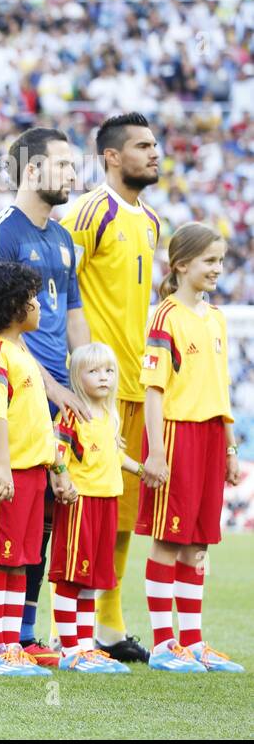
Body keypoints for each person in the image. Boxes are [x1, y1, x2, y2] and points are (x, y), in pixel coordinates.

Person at [0, 127, 88, 667]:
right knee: (1, 513)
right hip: (20, 390)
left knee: (37, 521)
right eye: (62, 165)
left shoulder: (61, 238)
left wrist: (80, 383)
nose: (72, 175)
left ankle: (22, 633)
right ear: (31, 171)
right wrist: (53, 385)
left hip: (54, 394)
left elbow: (75, 317)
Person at [61, 112, 161, 663]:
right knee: (80, 509)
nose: (155, 153)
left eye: (156, 145)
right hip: (93, 390)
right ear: (112, 157)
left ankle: (108, 625)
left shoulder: (150, 220)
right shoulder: (87, 213)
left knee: (119, 515)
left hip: (132, 386)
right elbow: (63, 293)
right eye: (143, 146)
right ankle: (64, 629)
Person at [137, 223, 244, 674]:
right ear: (181, 265)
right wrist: (157, 452)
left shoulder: (216, 317)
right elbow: (154, 391)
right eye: (209, 261)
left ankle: (194, 642)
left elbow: (219, 387)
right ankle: (164, 645)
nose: (217, 269)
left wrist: (230, 446)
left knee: (199, 541)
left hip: (211, 437)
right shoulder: (165, 317)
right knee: (168, 538)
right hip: (176, 435)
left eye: (220, 261)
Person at [0, 261, 75, 676]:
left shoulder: (20, 351)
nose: (40, 306)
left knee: (18, 561)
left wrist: (56, 467)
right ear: (13, 307)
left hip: (30, 471)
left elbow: (38, 421)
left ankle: (9, 646)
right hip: (2, 474)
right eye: (32, 300)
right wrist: (3, 470)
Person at [49, 343, 136, 673]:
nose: (104, 377)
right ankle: (70, 648)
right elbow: (57, 451)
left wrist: (142, 470)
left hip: (107, 502)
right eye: (94, 371)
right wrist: (63, 478)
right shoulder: (71, 414)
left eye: (109, 371)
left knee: (91, 580)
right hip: (80, 503)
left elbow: (115, 456)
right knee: (71, 577)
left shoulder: (111, 416)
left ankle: (86, 647)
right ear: (77, 376)